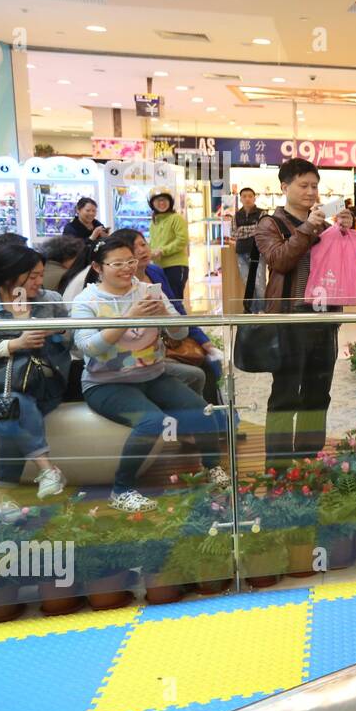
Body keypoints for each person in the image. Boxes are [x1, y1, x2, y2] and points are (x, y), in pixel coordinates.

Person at [71, 238, 226, 513]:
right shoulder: (87, 300)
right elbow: (87, 348)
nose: (127, 268)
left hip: (153, 375)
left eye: (130, 261)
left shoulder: (149, 290)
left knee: (203, 411)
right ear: (97, 267)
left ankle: (212, 468)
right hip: (106, 383)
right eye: (117, 264)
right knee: (153, 422)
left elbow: (180, 334)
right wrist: (128, 317)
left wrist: (165, 314)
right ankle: (121, 490)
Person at [255, 159, 355, 470]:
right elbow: (280, 261)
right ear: (284, 188)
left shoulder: (326, 226)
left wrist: (346, 233)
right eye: (303, 185)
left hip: (323, 320)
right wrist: (309, 227)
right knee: (285, 395)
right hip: (289, 321)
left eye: (314, 185)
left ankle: (310, 462)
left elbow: (346, 267)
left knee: (318, 394)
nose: (311, 192)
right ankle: (279, 466)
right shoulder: (269, 224)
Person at [0, 242, 71, 516]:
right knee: (13, 404)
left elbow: (71, 338)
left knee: (14, 404)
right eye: (34, 276)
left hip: (40, 385)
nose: (40, 281)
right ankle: (47, 470)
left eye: (41, 274)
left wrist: (55, 333)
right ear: (9, 276)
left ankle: (4, 498)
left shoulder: (48, 301)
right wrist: (12, 345)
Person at [108, 227, 224, 401]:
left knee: (211, 363)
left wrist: (204, 341)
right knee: (198, 373)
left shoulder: (155, 272)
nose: (141, 250)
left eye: (143, 244)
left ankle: (217, 418)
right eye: (134, 248)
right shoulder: (117, 285)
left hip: (170, 339)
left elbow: (177, 310)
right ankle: (204, 418)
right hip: (143, 354)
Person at [148, 191, 189, 304]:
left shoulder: (176, 218)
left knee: (175, 300)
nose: (162, 203)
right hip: (158, 266)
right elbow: (153, 242)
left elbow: (182, 240)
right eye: (158, 200)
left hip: (176, 265)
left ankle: (179, 321)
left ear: (170, 202)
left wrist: (162, 251)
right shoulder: (154, 222)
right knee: (163, 300)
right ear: (152, 203)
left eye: (164, 200)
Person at [232, 187, 267, 313]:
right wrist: (253, 229)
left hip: (258, 253)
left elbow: (262, 230)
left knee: (260, 284)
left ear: (254, 198)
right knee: (248, 285)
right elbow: (234, 233)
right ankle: (252, 313)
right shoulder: (237, 215)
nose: (247, 198)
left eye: (250, 196)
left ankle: (262, 311)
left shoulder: (262, 213)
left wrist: (243, 230)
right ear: (240, 198)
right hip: (241, 252)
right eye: (244, 196)